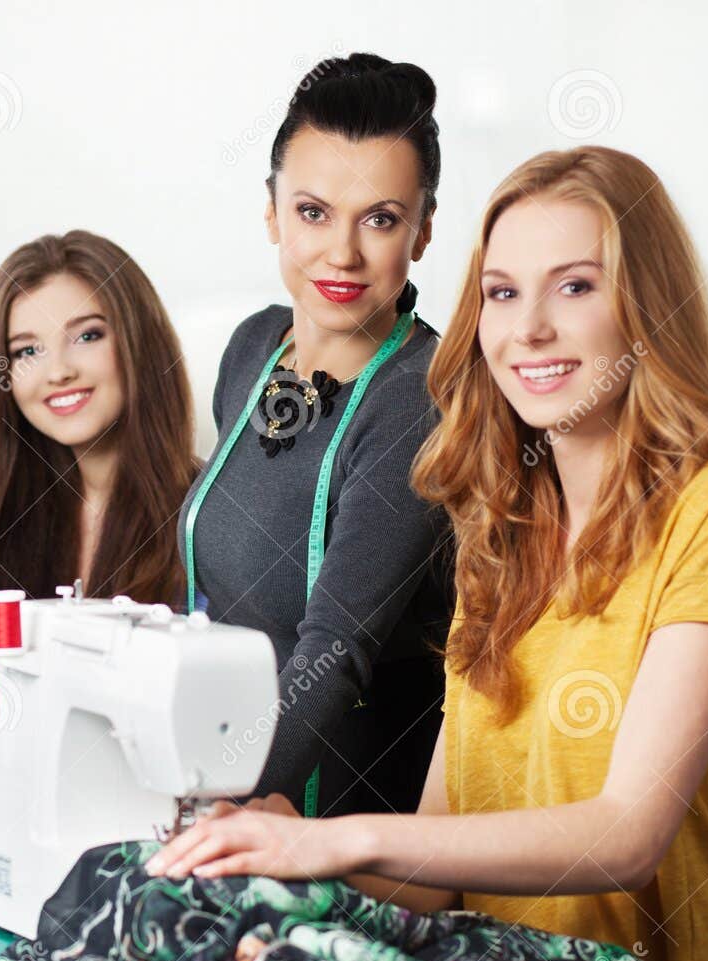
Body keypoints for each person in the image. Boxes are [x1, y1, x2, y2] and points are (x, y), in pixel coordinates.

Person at [148, 146, 708, 961]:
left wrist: (333, 847)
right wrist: (290, 843)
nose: (528, 328)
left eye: (574, 287)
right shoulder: (501, 536)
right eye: (500, 293)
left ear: (647, 309)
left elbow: (624, 834)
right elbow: (440, 862)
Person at [179, 53, 453, 818]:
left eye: (381, 219)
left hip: (330, 821)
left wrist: (231, 804)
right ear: (271, 212)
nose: (342, 252)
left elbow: (334, 652)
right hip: (228, 779)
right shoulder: (251, 349)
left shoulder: (420, 399)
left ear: (423, 230)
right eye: (313, 212)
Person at [0, 230, 197, 694]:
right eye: (27, 351)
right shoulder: (1, 521)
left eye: (87, 335)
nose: (58, 370)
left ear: (141, 343)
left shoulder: (208, 518)